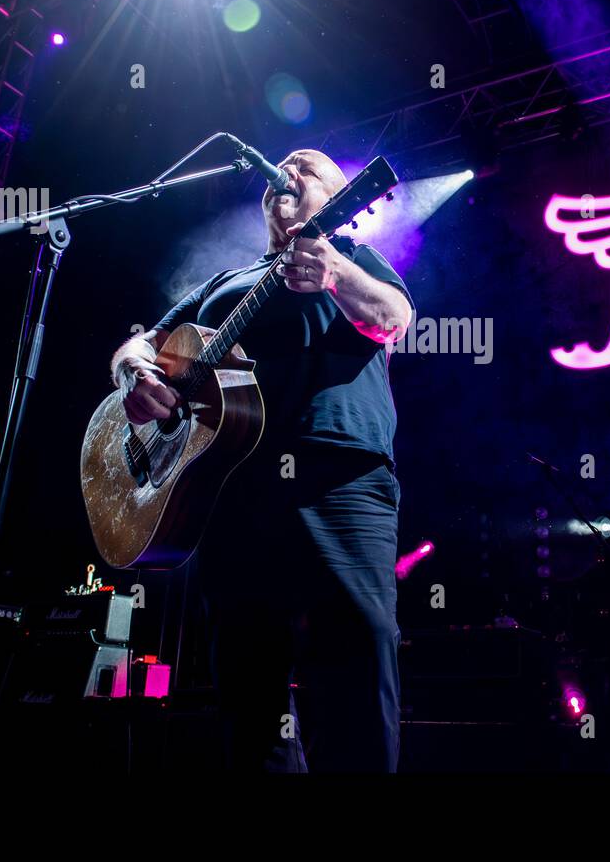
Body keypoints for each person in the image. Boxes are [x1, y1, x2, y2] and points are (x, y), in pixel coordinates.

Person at [109, 149, 414, 771]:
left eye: (307, 169)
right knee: (249, 700)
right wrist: (132, 373)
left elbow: (395, 320)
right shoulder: (223, 285)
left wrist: (333, 272)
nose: (288, 173)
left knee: (352, 673)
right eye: (282, 169)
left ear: (339, 199)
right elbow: (135, 342)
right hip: (227, 493)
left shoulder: (350, 256)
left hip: (334, 480)